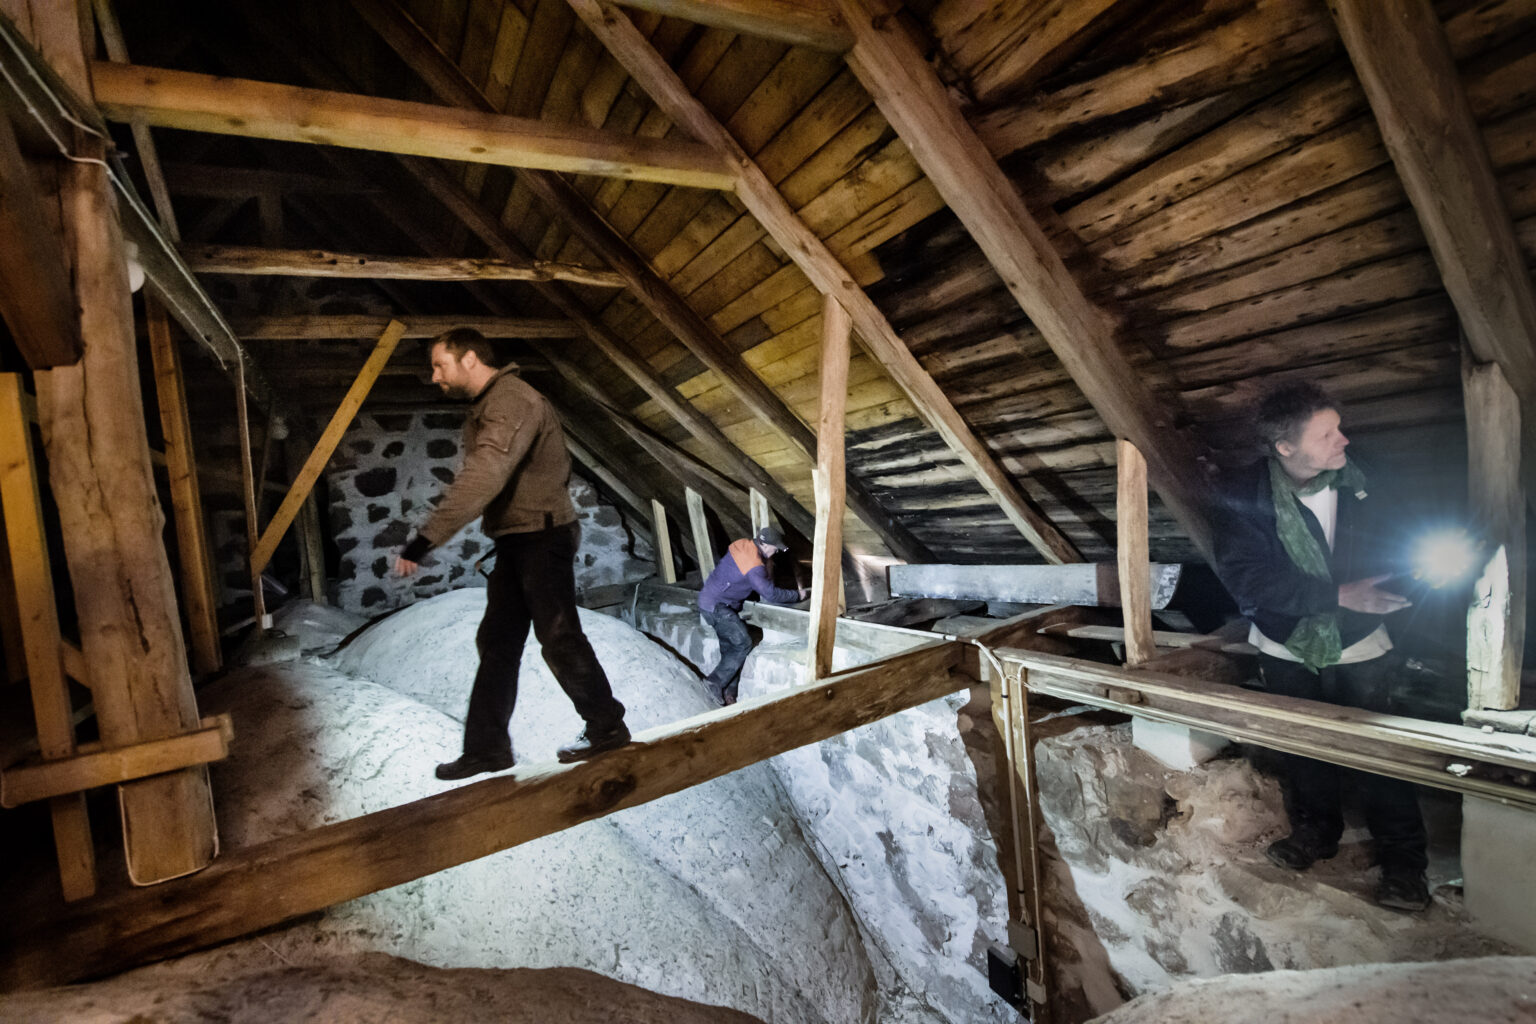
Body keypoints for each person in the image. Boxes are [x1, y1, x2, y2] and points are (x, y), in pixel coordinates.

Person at [1211, 381, 1429, 911]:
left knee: (1379, 754)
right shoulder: (1242, 495)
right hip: (1286, 640)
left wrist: (1406, 591)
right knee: (1302, 746)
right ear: (1286, 448)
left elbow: (1407, 542)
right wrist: (1338, 595)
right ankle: (1316, 833)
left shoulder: (1370, 478)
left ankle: (1404, 865)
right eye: (1327, 433)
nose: (1344, 441)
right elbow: (1250, 582)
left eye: (1339, 427)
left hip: (1361, 640)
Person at [395, 328, 628, 780]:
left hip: (543, 536)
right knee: (498, 643)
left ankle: (606, 728)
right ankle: (487, 751)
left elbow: (485, 475)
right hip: (517, 539)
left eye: (439, 365)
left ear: (469, 359)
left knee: (558, 635)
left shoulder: (511, 400)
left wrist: (425, 540)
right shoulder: (490, 404)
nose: (433, 376)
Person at [697, 526, 808, 705]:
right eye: (774, 548)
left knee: (730, 648)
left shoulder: (743, 544)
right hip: (717, 606)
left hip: (710, 601)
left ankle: (729, 693)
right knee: (743, 643)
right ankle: (714, 683)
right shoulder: (754, 564)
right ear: (763, 544)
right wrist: (797, 595)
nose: (775, 552)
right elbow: (770, 593)